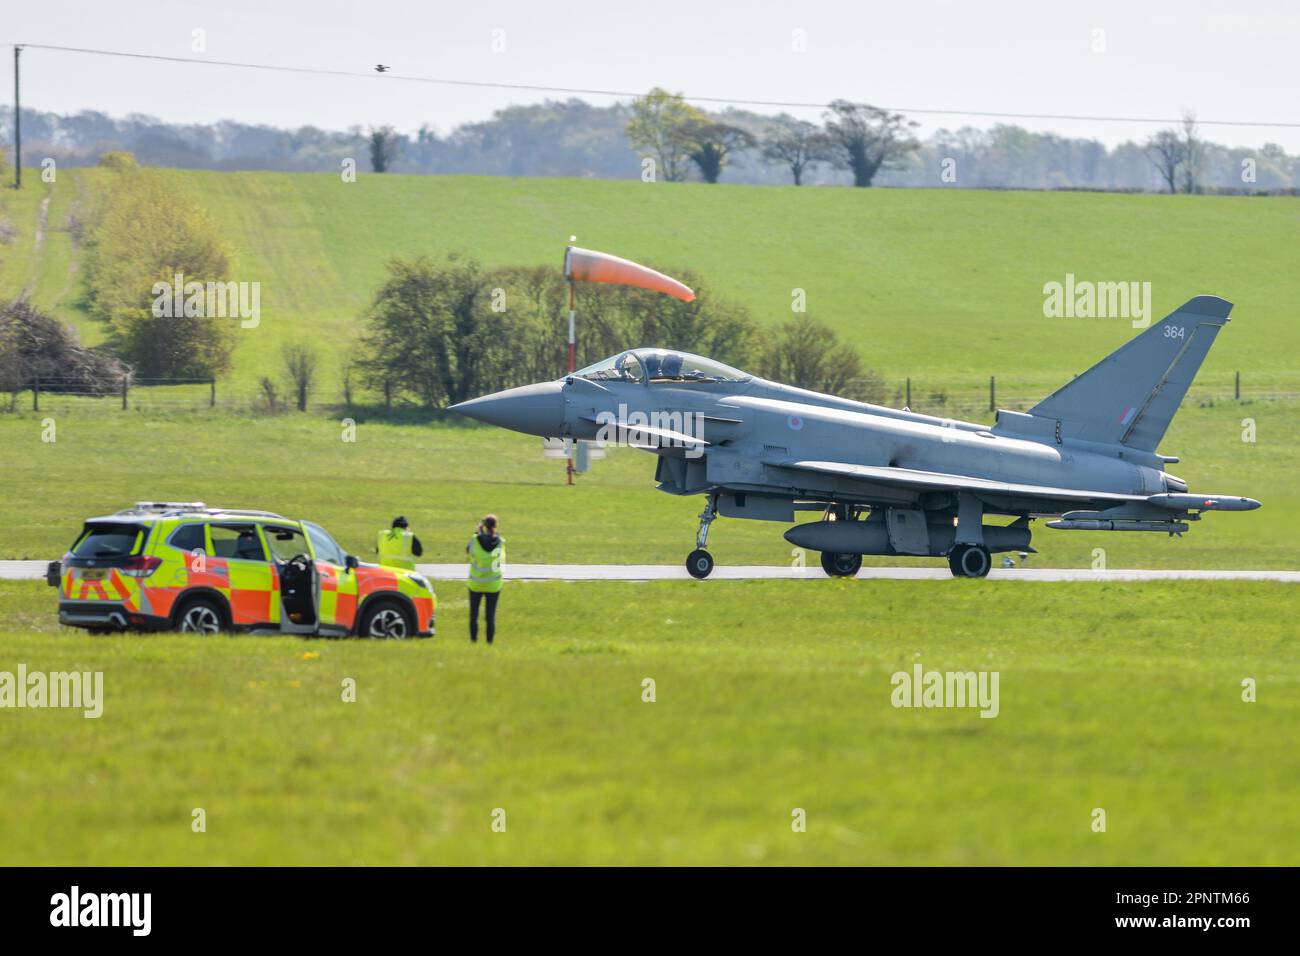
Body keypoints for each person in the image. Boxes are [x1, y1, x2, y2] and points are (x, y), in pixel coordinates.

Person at [466, 514, 504, 644]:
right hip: (493, 585)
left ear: (484, 525)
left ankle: (473, 641)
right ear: (495, 526)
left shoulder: (474, 539)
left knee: (473, 616)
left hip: (476, 583)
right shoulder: (501, 542)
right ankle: (489, 643)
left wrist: (478, 533)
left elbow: (469, 551)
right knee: (490, 617)